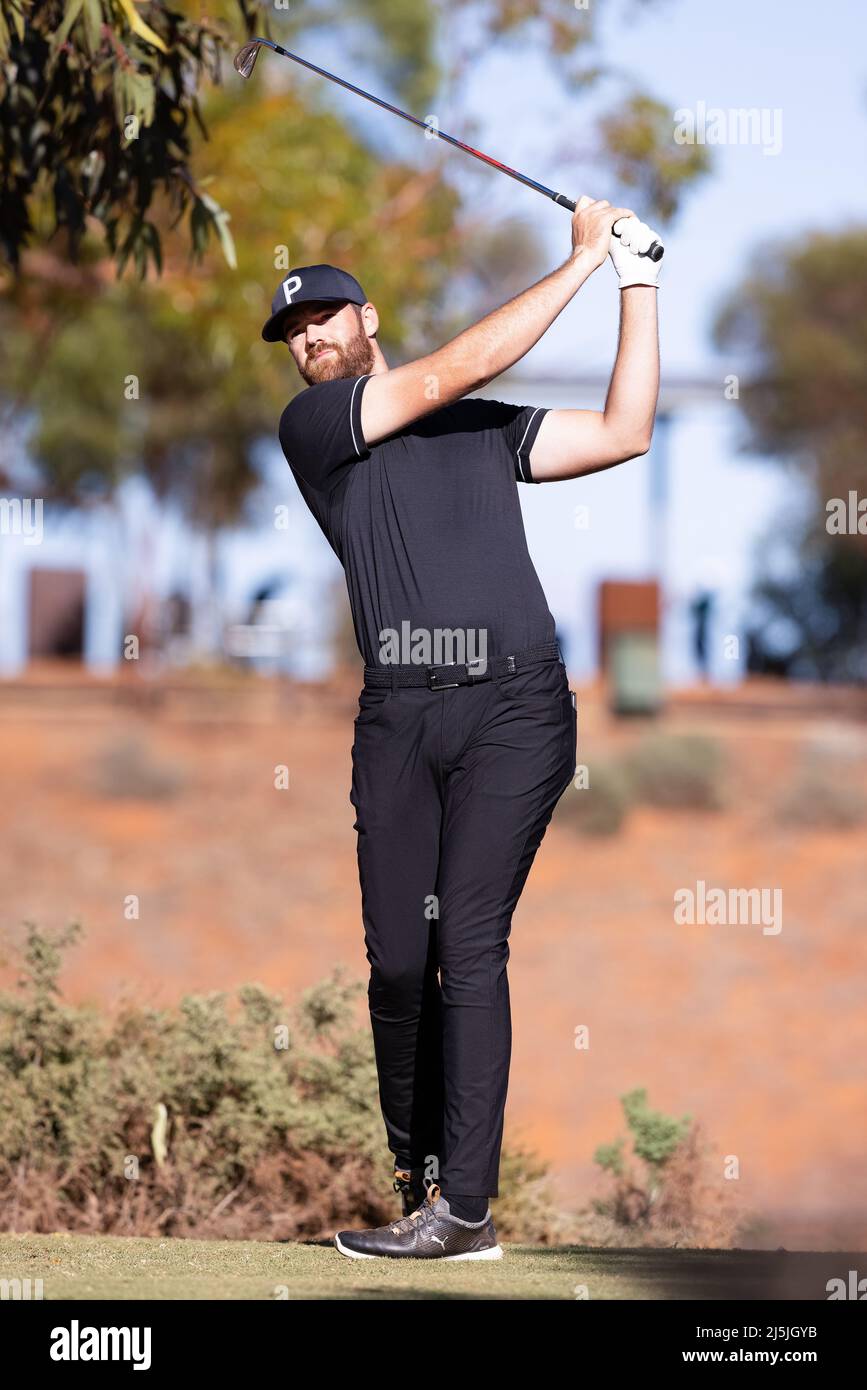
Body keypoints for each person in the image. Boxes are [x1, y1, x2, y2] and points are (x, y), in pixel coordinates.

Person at [264, 196, 661, 1260]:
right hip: (397, 714)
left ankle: (465, 1213)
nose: (309, 338)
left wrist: (638, 284)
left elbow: (626, 431)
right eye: (295, 333)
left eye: (326, 319)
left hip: (514, 709)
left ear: (366, 315)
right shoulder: (317, 431)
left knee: (467, 945)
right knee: (399, 963)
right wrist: (579, 261)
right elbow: (444, 372)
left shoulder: (483, 430)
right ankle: (422, 1189)